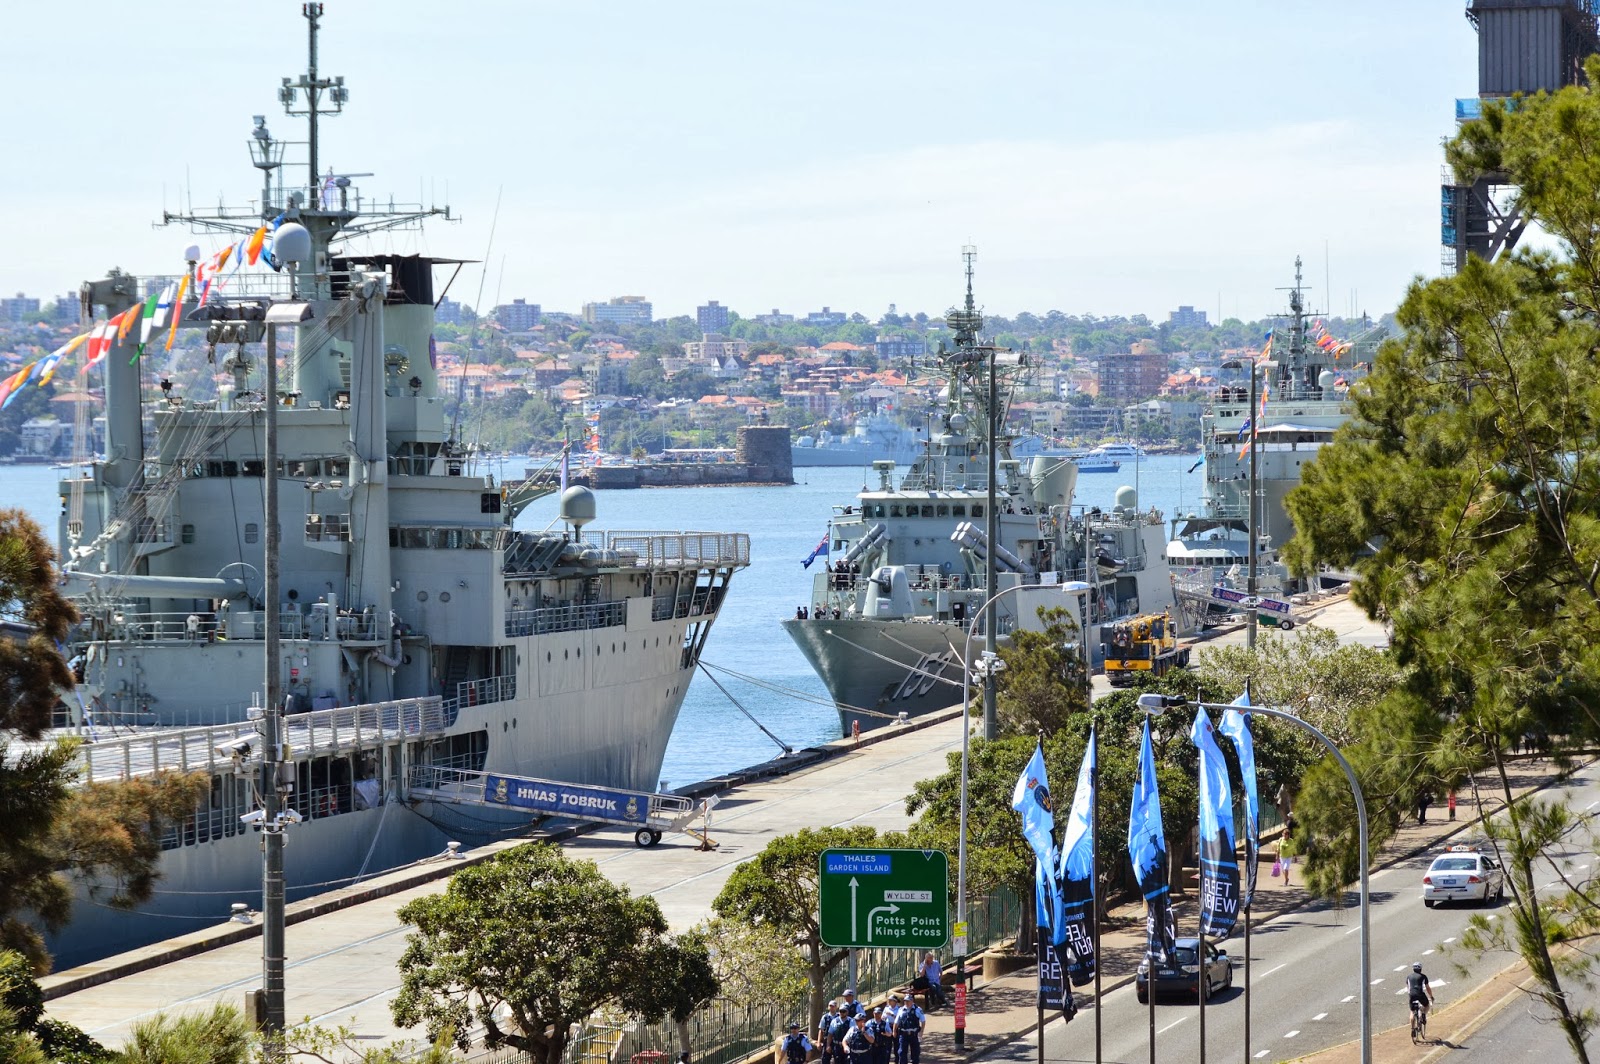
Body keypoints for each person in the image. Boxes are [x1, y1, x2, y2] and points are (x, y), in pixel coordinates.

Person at [892, 996, 924, 1064]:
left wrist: (921, 1031)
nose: (907, 1003)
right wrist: (894, 1031)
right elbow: (896, 1022)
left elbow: (923, 1021)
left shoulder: (917, 1009)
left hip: (914, 1034)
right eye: (905, 1001)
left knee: (915, 1053)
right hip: (903, 1034)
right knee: (902, 1052)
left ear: (912, 1001)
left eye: (908, 1001)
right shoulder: (901, 1010)